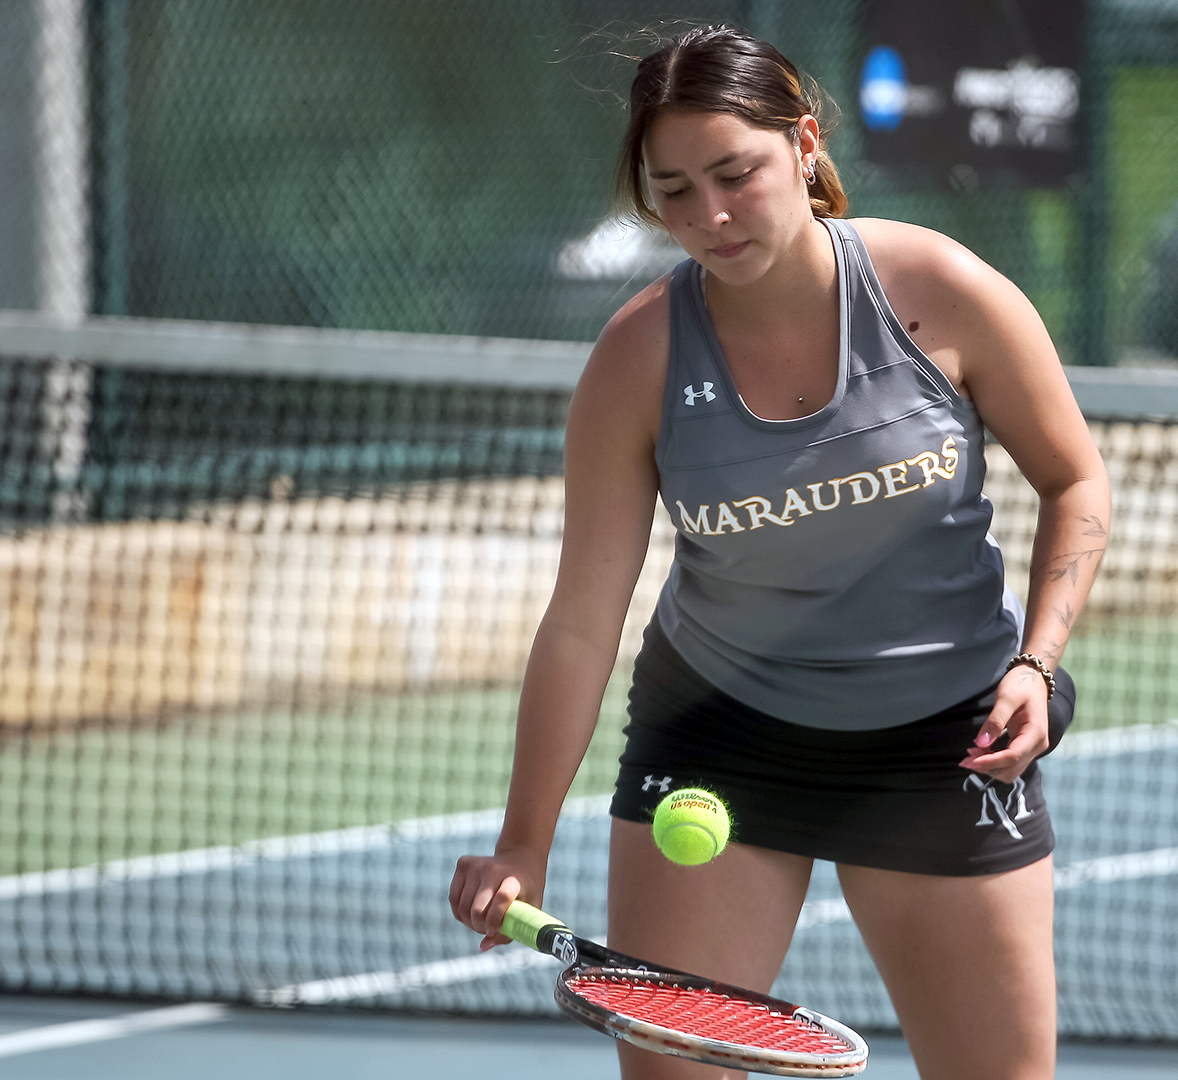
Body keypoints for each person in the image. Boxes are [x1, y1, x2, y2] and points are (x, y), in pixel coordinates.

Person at [450, 25, 1109, 1080]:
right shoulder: (638, 359)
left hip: (944, 742)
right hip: (720, 740)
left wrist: (1037, 662)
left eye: (735, 173)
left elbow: (1076, 482)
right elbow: (583, 619)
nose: (707, 215)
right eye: (672, 190)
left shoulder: (942, 290)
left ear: (803, 145)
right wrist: (523, 838)